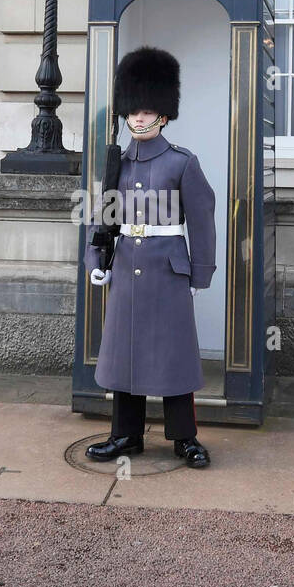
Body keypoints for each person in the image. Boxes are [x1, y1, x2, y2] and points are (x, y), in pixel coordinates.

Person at [84, 47, 217, 468]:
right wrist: (95, 261)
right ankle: (125, 435)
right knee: (124, 354)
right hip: (125, 268)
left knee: (174, 357)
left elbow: (203, 220)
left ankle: (185, 438)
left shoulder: (182, 163)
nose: (138, 118)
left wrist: (200, 272)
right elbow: (101, 215)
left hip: (168, 270)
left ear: (163, 114)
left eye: (147, 111)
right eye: (133, 111)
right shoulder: (117, 165)